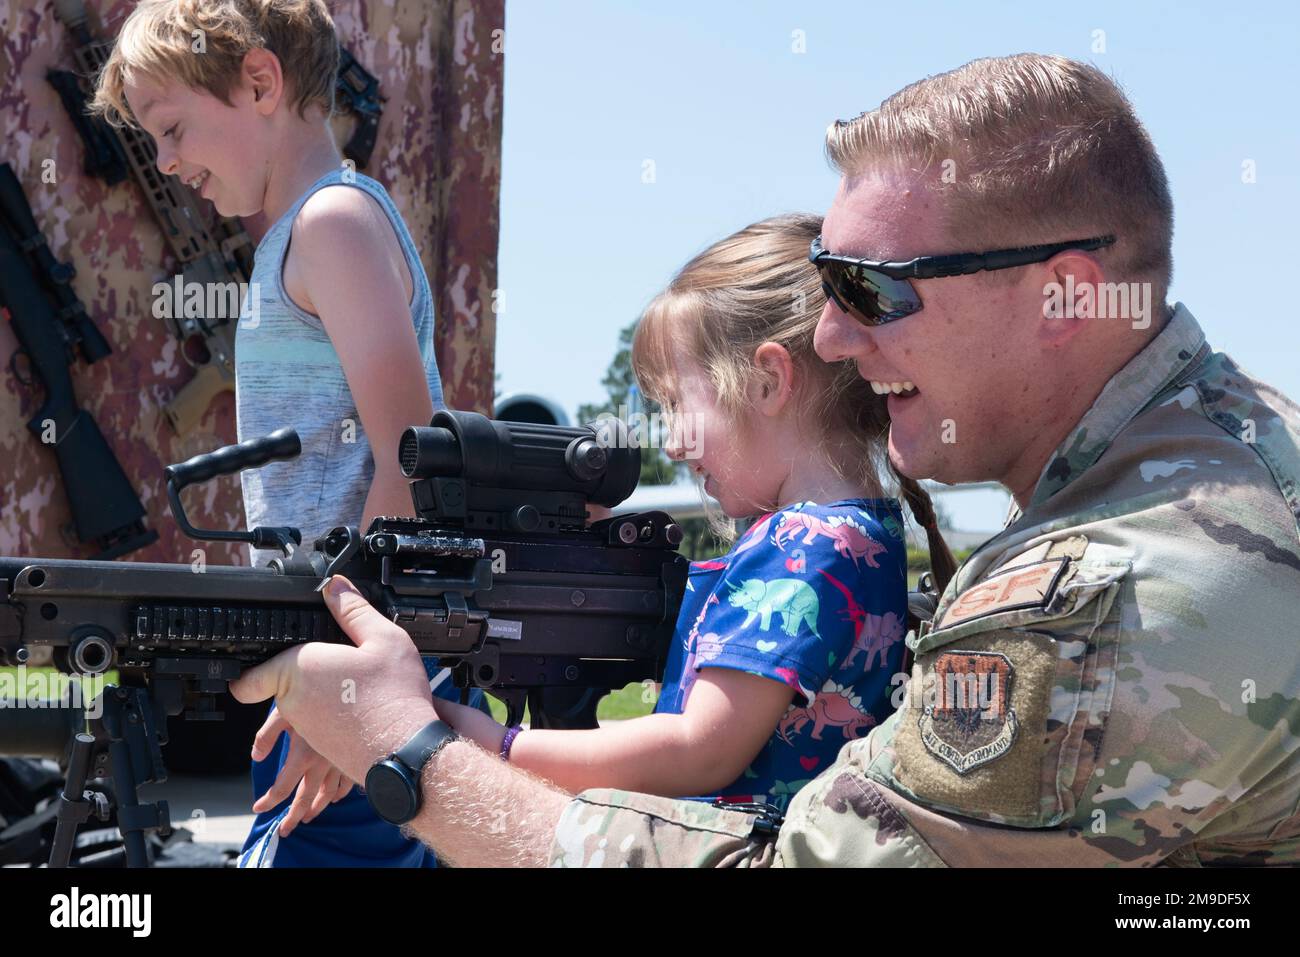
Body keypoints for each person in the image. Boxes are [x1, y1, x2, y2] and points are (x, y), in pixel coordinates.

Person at [232, 52, 1300, 867]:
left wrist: (414, 750)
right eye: (827, 285)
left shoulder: (1119, 596)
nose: (831, 341)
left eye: (874, 290)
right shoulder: (1232, 436)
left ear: (1064, 294)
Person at [90, 0, 480, 867]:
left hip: (368, 665)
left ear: (260, 82)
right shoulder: (298, 238)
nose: (166, 161)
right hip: (342, 665)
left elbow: (413, 461)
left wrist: (346, 700)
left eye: (172, 128)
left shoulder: (330, 225)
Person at [432, 215, 954, 809]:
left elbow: (698, 749)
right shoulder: (857, 530)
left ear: (766, 381)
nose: (674, 444)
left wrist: (501, 748)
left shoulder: (805, 542)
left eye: (679, 403)